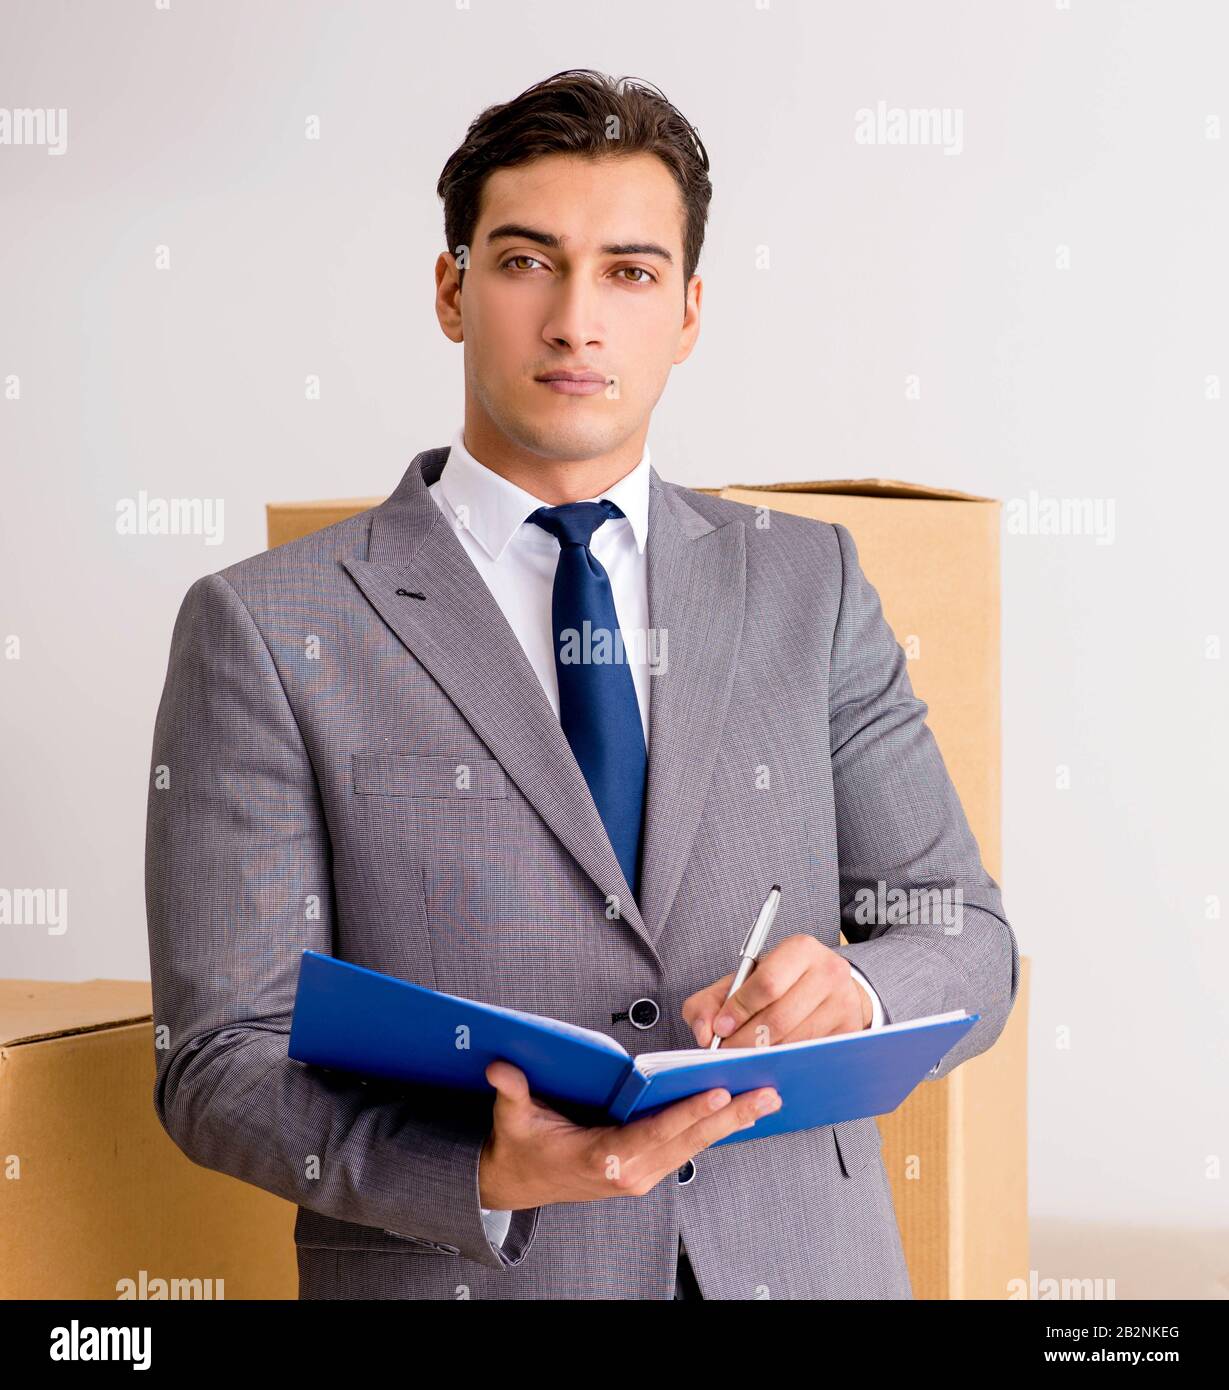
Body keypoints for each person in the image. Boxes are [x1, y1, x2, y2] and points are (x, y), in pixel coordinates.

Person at [145, 68, 1019, 1301]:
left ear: (688, 311)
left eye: (629, 271)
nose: (575, 321)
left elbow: (965, 935)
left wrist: (861, 986)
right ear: (452, 291)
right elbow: (216, 1060)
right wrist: (474, 1169)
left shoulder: (805, 584)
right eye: (524, 262)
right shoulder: (267, 626)